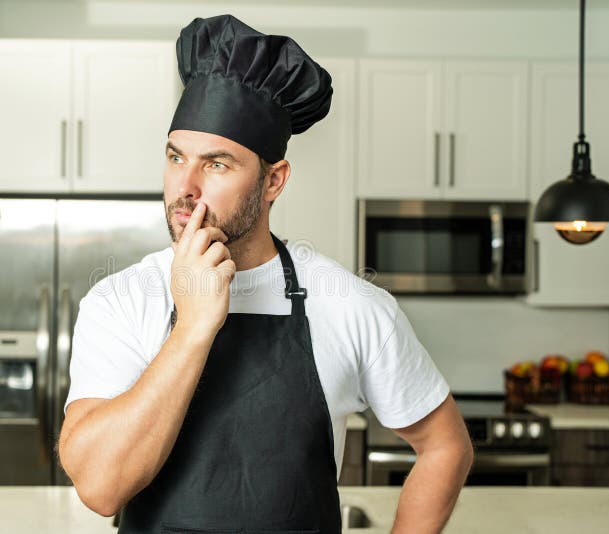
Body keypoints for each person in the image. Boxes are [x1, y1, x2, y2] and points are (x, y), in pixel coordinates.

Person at [58, 14, 473, 534]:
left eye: (216, 164)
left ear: (273, 180)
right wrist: (191, 328)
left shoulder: (346, 303)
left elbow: (445, 446)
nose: (185, 186)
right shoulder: (121, 300)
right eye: (175, 157)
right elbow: (100, 488)